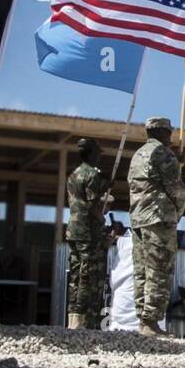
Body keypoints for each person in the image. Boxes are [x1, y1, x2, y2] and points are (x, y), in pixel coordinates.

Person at [127, 116, 185, 337]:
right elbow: (176, 190)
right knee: (159, 269)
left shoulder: (136, 156)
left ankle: (143, 319)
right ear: (163, 133)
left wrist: (176, 164)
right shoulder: (163, 153)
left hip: (138, 219)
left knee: (142, 270)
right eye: (169, 133)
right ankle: (151, 322)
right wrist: (178, 213)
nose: (171, 138)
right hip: (159, 219)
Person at [66, 137, 109, 330]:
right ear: (92, 153)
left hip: (73, 230)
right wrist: (102, 220)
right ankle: (82, 321)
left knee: (76, 275)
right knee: (87, 276)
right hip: (88, 232)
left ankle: (73, 317)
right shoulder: (92, 174)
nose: (100, 158)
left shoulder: (73, 174)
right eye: (98, 154)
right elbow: (93, 206)